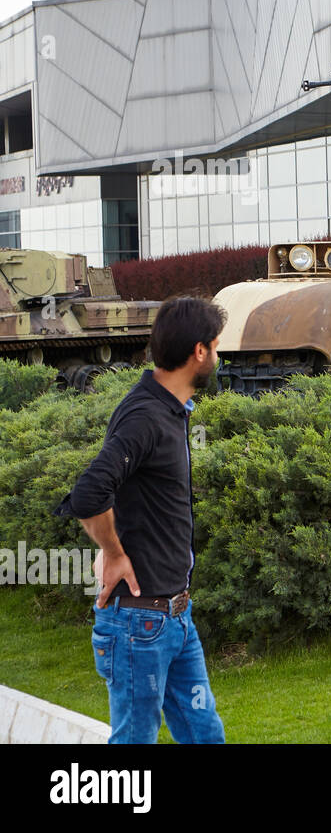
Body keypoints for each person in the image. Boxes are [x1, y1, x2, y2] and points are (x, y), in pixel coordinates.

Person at [55, 297, 227, 744]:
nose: (218, 354)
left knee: (206, 735)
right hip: (139, 625)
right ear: (199, 352)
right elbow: (89, 493)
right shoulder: (146, 416)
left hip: (175, 618)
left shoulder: (167, 408)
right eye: (215, 345)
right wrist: (112, 553)